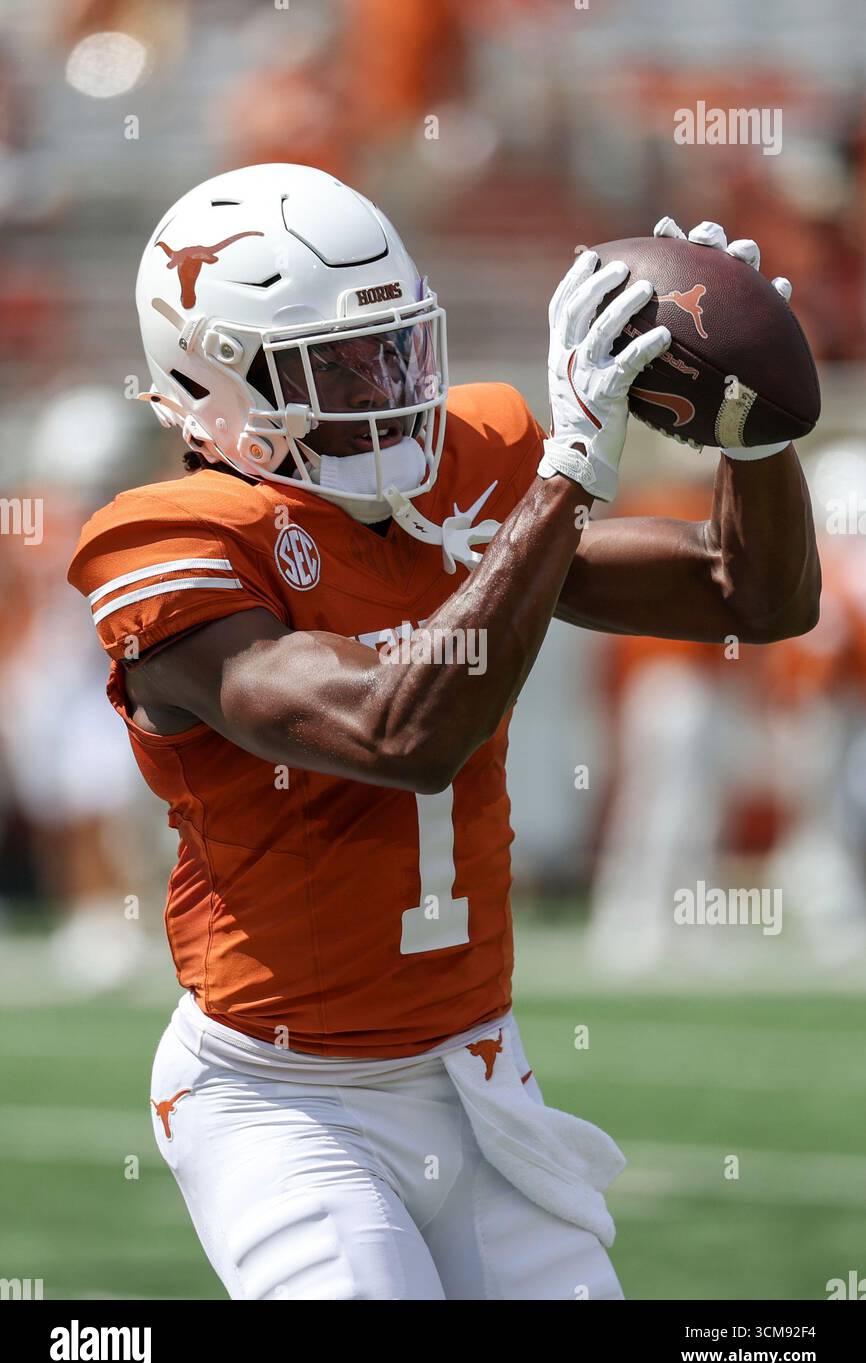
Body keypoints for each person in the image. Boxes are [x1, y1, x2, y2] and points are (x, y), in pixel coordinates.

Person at [68, 163, 819, 1300]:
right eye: (340, 365)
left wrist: (745, 434)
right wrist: (568, 472)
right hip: (285, 1099)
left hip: (476, 1071)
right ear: (212, 387)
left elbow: (748, 597)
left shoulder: (464, 466)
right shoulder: (169, 539)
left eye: (395, 348)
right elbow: (397, 733)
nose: (389, 387)